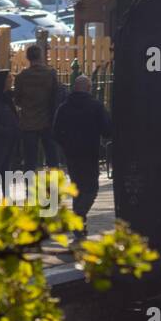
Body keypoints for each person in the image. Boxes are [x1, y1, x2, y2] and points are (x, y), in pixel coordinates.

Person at [52, 74, 111, 240]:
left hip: (71, 154)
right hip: (90, 152)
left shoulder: (64, 107)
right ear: (88, 88)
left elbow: (55, 132)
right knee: (91, 189)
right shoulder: (96, 106)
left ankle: (79, 224)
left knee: (77, 187)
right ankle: (79, 217)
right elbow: (107, 130)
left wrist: (66, 146)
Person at [12, 44, 64, 169]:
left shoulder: (21, 77)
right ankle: (55, 186)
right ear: (41, 56)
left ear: (28, 57)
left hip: (28, 122)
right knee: (52, 158)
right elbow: (56, 95)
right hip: (47, 121)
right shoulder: (50, 74)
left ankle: (29, 187)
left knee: (30, 160)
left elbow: (17, 99)